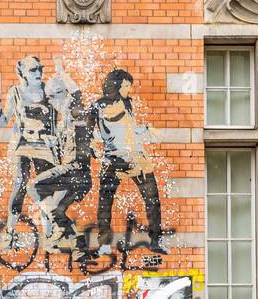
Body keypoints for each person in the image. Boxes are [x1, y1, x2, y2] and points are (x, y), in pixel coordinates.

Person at [90, 69, 165, 252]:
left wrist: (146, 130)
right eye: (126, 85)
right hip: (114, 159)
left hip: (135, 158)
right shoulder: (99, 107)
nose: (129, 89)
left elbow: (129, 131)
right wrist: (91, 144)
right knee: (105, 202)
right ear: (116, 85)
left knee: (152, 198)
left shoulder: (127, 104)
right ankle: (105, 243)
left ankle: (156, 240)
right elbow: (90, 131)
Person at [0, 56, 59, 239]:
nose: (38, 73)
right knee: (21, 182)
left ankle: (49, 234)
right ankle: (11, 230)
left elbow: (58, 119)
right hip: (22, 146)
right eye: (33, 70)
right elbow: (3, 121)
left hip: (44, 147)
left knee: (45, 188)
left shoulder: (48, 91)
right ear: (23, 74)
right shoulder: (16, 92)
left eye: (40, 69)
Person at [32, 65, 94, 250]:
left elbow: (76, 93)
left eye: (51, 97)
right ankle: (78, 244)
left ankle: (62, 228)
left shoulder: (75, 112)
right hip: (74, 176)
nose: (50, 102)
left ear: (62, 93)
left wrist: (61, 71)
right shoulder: (62, 124)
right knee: (57, 209)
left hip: (76, 171)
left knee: (35, 185)